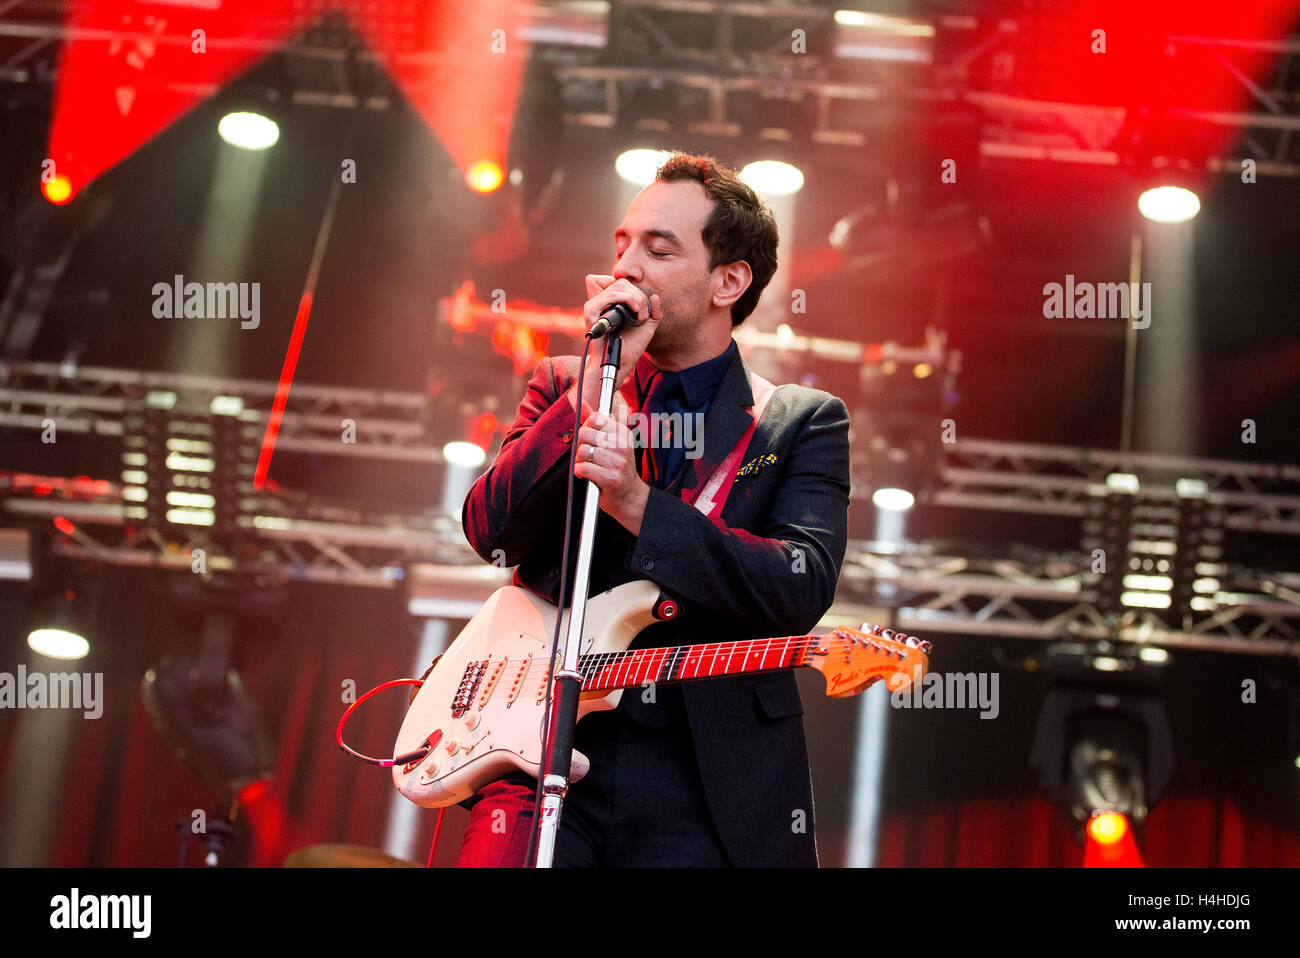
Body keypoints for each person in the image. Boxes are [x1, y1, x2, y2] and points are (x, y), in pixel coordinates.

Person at [456, 152, 850, 866]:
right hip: (543, 748)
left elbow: (798, 586)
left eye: (658, 249)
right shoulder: (564, 385)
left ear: (730, 280)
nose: (626, 267)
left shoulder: (799, 422)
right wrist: (597, 384)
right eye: (621, 245)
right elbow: (491, 531)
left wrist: (637, 504)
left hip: (706, 788)